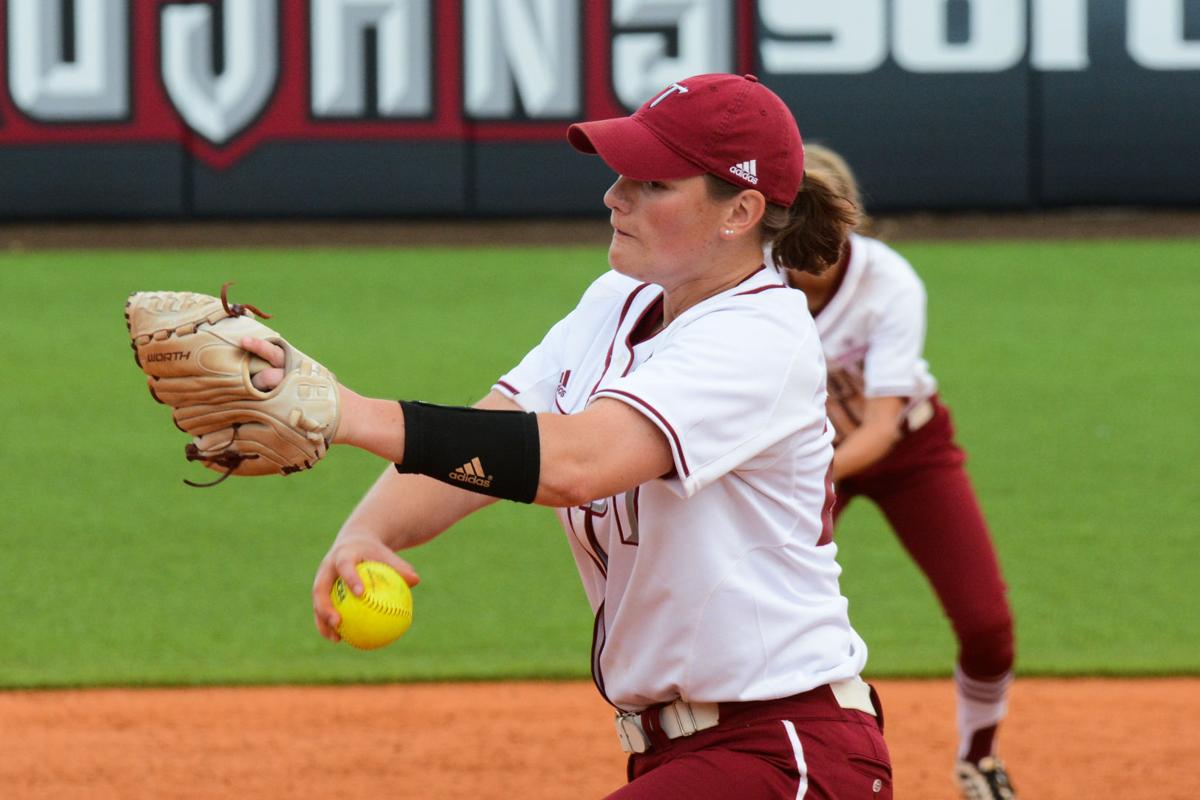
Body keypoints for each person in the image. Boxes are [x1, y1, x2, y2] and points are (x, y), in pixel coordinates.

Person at [245, 74, 890, 798]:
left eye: (652, 183)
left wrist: (349, 413)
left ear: (739, 210)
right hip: (687, 759)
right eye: (622, 174)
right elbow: (498, 426)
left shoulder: (761, 335)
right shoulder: (620, 298)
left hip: (784, 752)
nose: (615, 196)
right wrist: (370, 532)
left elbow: (578, 463)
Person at [783, 145, 1018, 800]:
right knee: (736, 601)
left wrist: (804, 481)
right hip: (801, 459)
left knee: (986, 624)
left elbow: (882, 429)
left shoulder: (888, 282)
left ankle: (980, 757)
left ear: (850, 220)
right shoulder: (755, 282)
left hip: (905, 451)